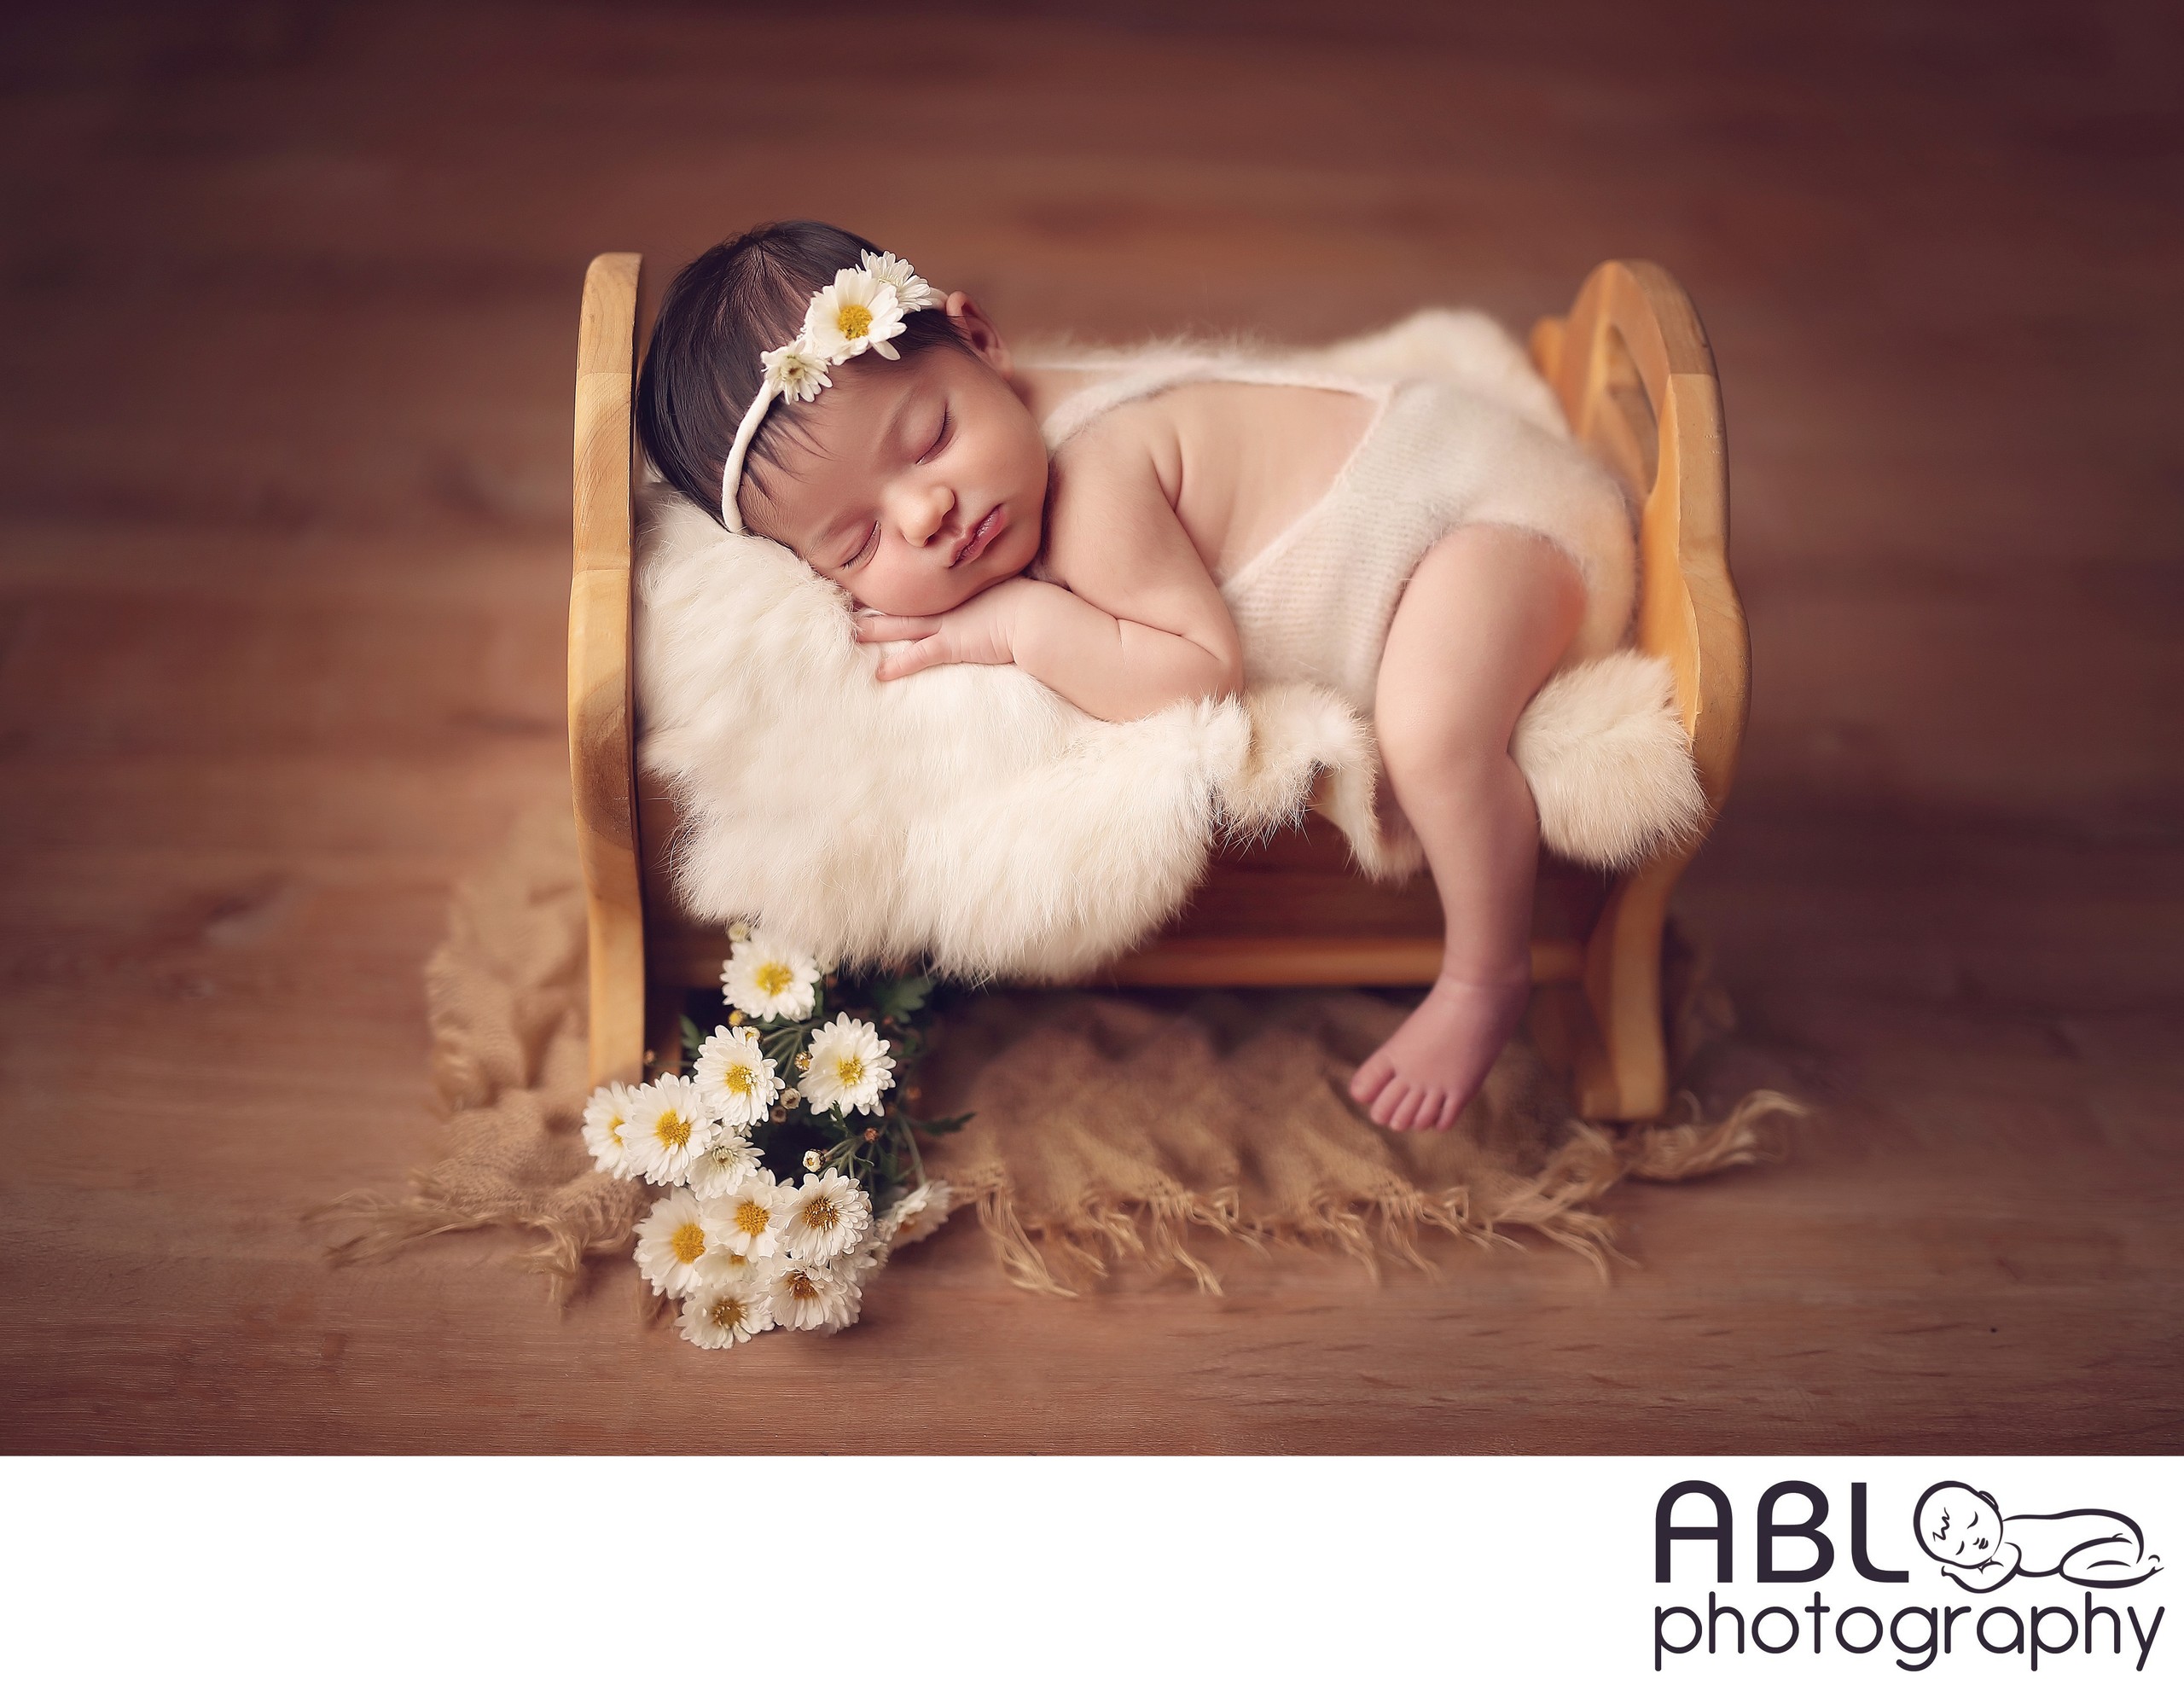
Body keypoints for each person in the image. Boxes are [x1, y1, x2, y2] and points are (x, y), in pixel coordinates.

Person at [637, 221, 1637, 1132]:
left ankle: (1483, 975)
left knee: (1431, 733)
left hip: (1485, 520)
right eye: (856, 539)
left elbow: (1195, 675)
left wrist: (1025, 621)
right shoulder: (1008, 434)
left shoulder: (1095, 488)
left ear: (981, 340)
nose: (928, 512)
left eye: (931, 437)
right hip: (1444, 469)